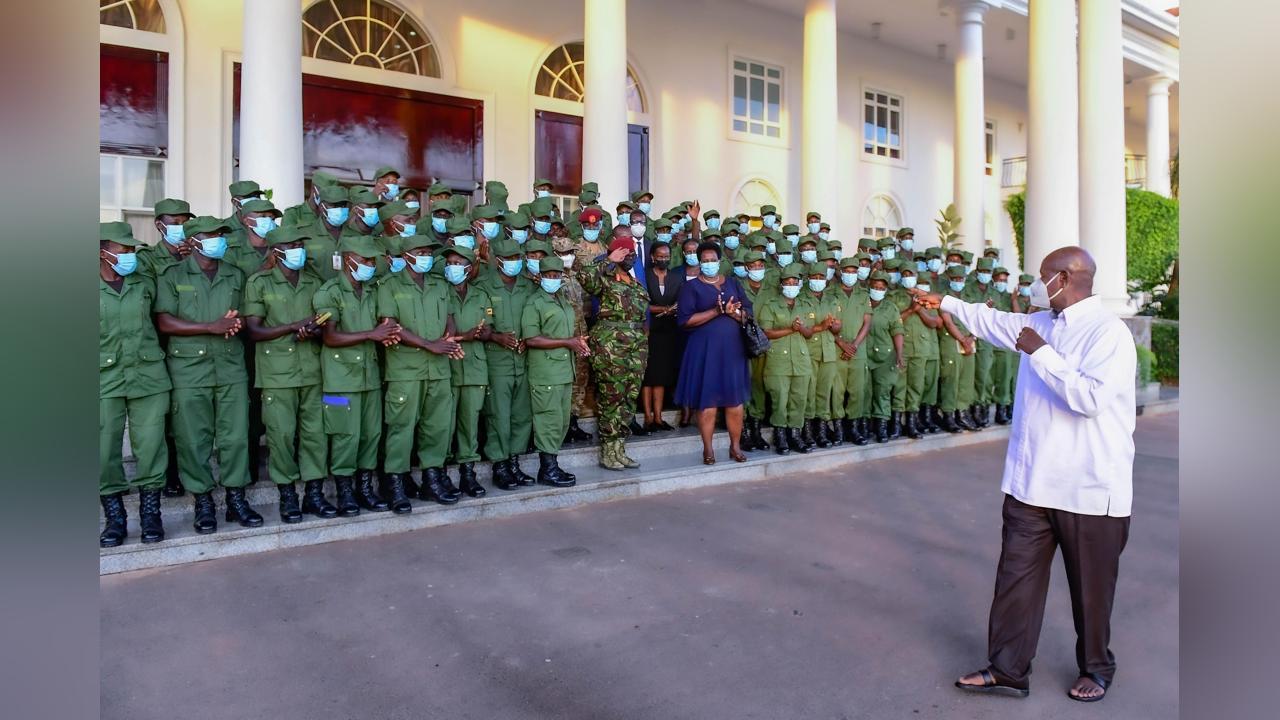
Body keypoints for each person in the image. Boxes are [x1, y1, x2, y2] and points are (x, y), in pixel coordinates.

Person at [912, 246, 1136, 704]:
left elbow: (1090, 399)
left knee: (1090, 590)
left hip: (1088, 489)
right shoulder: (1040, 321)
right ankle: (1008, 669)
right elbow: (993, 322)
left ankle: (1096, 667)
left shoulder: (1108, 334)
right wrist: (946, 302)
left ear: (1066, 277)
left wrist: (1042, 354)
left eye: (1041, 277)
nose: (1035, 285)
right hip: (1032, 484)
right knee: (1016, 580)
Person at [154, 216, 260, 534]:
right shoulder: (173, 275)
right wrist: (209, 327)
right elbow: (164, 322)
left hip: (229, 366)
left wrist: (236, 323)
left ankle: (236, 498)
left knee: (236, 436)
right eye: (212, 235)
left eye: (221, 235)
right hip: (189, 369)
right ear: (195, 240)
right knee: (193, 438)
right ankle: (203, 501)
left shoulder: (235, 275)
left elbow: (243, 315)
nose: (219, 240)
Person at [241, 224, 337, 523]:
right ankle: (287, 496)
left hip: (312, 369)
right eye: (293, 245)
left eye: (301, 245)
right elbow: (254, 330)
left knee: (315, 434)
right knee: (281, 435)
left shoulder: (314, 281)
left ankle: (314, 494)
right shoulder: (259, 283)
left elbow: (325, 319)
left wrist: (314, 328)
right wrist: (293, 326)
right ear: (277, 250)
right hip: (277, 373)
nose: (300, 250)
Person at [313, 233, 399, 516]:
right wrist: (372, 334)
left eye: (373, 261)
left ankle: (364, 489)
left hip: (369, 376)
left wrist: (384, 334)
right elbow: (330, 337)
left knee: (371, 434)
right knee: (344, 435)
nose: (371, 265)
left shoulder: (373, 291)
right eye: (365, 260)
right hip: (340, 379)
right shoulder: (329, 293)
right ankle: (344, 491)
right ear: (349, 260)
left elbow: (383, 324)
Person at [376, 234, 464, 507]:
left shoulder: (439, 284)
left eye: (429, 252)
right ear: (408, 255)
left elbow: (450, 319)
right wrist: (429, 345)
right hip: (406, 369)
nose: (427, 256)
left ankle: (432, 480)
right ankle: (395, 483)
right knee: (401, 427)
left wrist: (447, 340)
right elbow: (391, 326)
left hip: (438, 368)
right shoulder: (389, 285)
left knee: (437, 427)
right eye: (422, 252)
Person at [99, 222, 171, 547]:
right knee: (103, 451)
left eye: (131, 249)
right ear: (102, 252)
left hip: (148, 376)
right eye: (123, 249)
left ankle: (150, 514)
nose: (130, 255)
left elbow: (161, 320)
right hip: (103, 379)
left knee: (152, 445)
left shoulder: (144, 281)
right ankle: (115, 518)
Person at [577, 230, 650, 471]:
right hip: (611, 345)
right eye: (623, 252)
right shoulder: (605, 278)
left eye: (631, 252)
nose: (628, 256)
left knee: (629, 398)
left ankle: (620, 447)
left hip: (636, 346)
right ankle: (607, 451)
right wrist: (608, 260)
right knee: (612, 397)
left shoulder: (636, 283)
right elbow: (584, 277)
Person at [674, 241, 752, 464]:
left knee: (735, 402)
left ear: (720, 261)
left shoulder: (733, 283)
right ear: (700, 263)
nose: (709, 264)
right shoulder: (690, 288)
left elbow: (748, 312)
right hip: (704, 352)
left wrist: (735, 313)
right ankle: (708, 449)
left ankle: (735, 447)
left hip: (733, 351)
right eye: (705, 261)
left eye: (712, 260)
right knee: (707, 403)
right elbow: (685, 320)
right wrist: (716, 311)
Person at [476, 236, 538, 490]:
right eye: (509, 258)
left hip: (523, 359)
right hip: (497, 360)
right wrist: (496, 336)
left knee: (521, 415)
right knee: (498, 415)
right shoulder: (484, 286)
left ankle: (514, 462)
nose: (515, 263)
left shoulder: (528, 286)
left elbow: (533, 317)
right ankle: (500, 465)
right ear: (497, 260)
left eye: (517, 258)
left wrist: (528, 338)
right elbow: (481, 325)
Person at [520, 255, 586, 487]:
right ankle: (547, 469)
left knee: (559, 421)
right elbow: (531, 339)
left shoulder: (561, 300)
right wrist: (568, 342)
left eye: (557, 275)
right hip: (545, 371)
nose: (553, 279)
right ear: (539, 276)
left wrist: (577, 342)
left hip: (564, 371)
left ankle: (552, 464)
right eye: (548, 275)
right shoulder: (534, 303)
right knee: (548, 420)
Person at [442, 245, 493, 498]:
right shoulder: (439, 292)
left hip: (474, 367)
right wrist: (466, 335)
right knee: (442, 424)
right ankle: (439, 473)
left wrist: (483, 334)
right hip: (446, 367)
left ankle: (468, 473)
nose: (452, 267)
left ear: (469, 267)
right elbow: (437, 333)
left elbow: (488, 328)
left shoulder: (480, 295)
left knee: (469, 423)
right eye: (449, 262)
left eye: (457, 262)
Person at [758, 264, 816, 454]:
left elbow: (809, 333)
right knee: (780, 399)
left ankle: (795, 435)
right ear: (781, 284)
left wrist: (801, 328)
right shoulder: (771, 305)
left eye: (794, 282)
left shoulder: (805, 305)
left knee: (799, 399)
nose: (791, 285)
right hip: (778, 361)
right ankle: (780, 436)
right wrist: (791, 329)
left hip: (800, 359)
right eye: (787, 282)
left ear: (800, 284)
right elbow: (766, 332)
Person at [641, 238, 683, 432]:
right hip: (649, 330)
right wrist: (662, 308)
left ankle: (658, 417)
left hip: (668, 332)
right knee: (648, 375)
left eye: (667, 257)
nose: (663, 259)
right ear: (652, 257)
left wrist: (673, 309)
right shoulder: (644, 276)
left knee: (662, 376)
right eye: (660, 256)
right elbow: (640, 303)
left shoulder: (675, 277)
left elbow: (681, 300)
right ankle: (648, 417)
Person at [830, 256, 872, 445]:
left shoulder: (863, 295)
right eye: (847, 271)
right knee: (837, 391)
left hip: (857, 350)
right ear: (840, 271)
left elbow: (867, 322)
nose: (850, 274)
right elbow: (827, 323)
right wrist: (840, 342)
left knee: (857, 391)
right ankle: (838, 428)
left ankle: (852, 428)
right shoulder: (830, 293)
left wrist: (854, 345)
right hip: (836, 349)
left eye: (854, 271)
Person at [737, 249, 773, 451]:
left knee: (759, 385)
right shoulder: (738, 287)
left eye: (761, 265)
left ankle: (757, 430)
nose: (758, 269)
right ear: (747, 268)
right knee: (743, 385)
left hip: (763, 344)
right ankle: (742, 430)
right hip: (743, 343)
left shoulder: (771, 289)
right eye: (753, 266)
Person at [863, 270, 906, 443]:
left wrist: (900, 353)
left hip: (885, 355)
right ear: (869, 286)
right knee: (864, 391)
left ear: (886, 289)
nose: (877, 289)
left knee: (882, 391)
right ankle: (864, 426)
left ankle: (881, 426)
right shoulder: (862, 303)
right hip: (863, 353)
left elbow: (897, 331)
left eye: (881, 287)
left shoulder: (890, 307)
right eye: (874, 286)